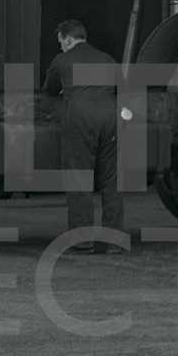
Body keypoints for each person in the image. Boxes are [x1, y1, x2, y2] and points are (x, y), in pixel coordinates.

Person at [42, 18, 125, 250]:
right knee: (110, 180)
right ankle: (113, 240)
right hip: (109, 118)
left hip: (80, 118)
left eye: (61, 42)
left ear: (68, 39)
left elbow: (49, 89)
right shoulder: (107, 59)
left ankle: (82, 239)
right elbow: (122, 87)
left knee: (79, 177)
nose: (61, 47)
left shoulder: (62, 60)